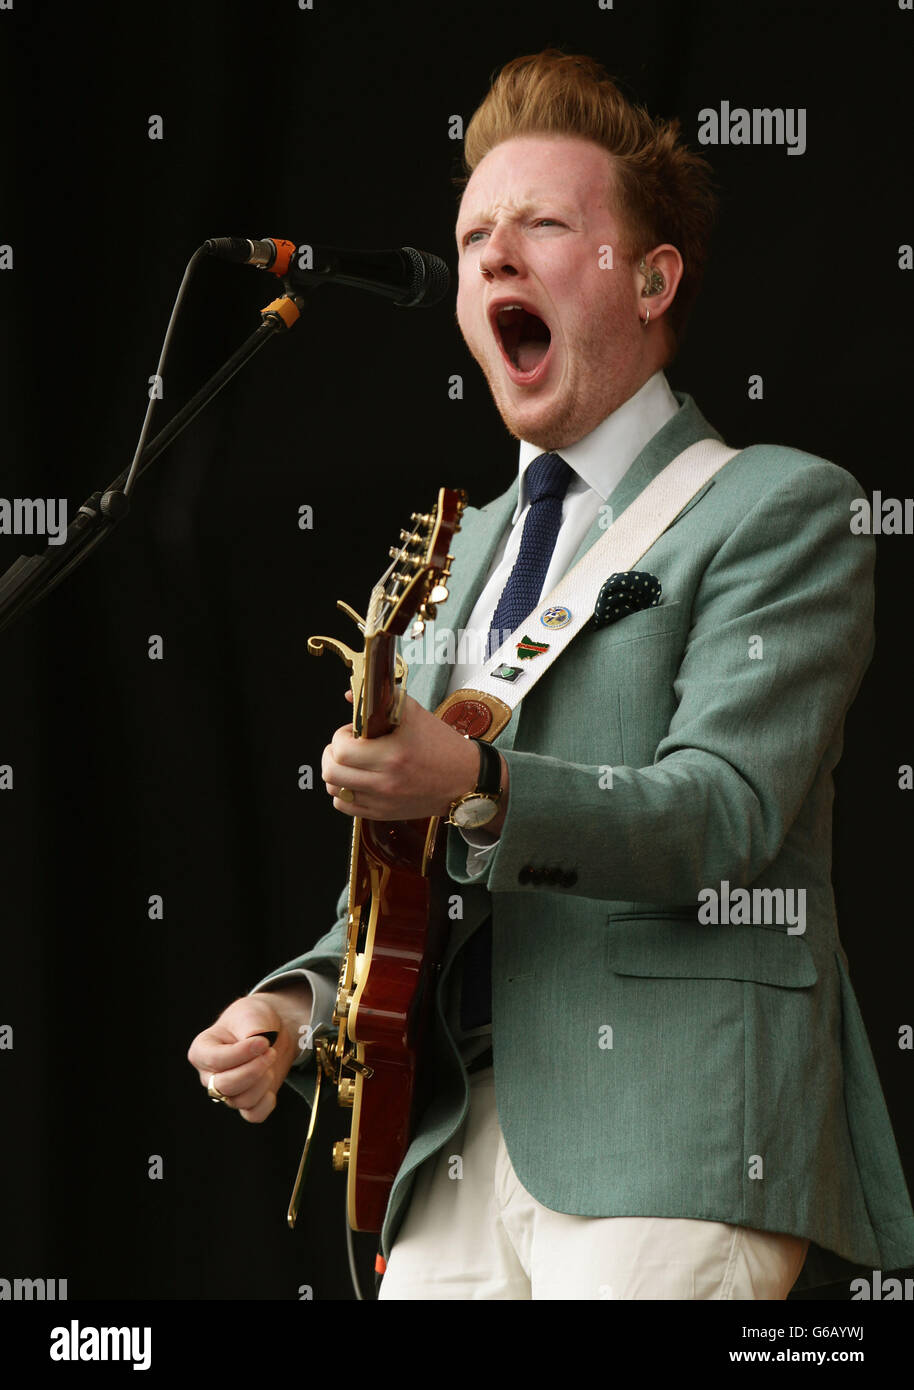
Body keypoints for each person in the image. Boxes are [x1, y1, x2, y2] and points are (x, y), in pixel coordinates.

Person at [187, 50, 914, 1299]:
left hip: (673, 1128)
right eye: (473, 233)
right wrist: (296, 1010)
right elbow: (399, 892)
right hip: (453, 1145)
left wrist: (467, 775)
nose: (491, 254)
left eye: (540, 223)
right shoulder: (456, 549)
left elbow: (723, 813)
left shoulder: (780, 506)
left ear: (648, 276)